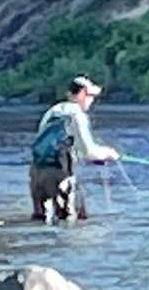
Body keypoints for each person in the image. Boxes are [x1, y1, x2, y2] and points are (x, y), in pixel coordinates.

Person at [29, 76, 118, 223]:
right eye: (91, 96)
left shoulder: (53, 111)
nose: (92, 101)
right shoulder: (77, 115)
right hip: (60, 176)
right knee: (72, 224)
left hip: (37, 174)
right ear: (82, 93)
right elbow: (89, 152)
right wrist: (108, 154)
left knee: (40, 221)